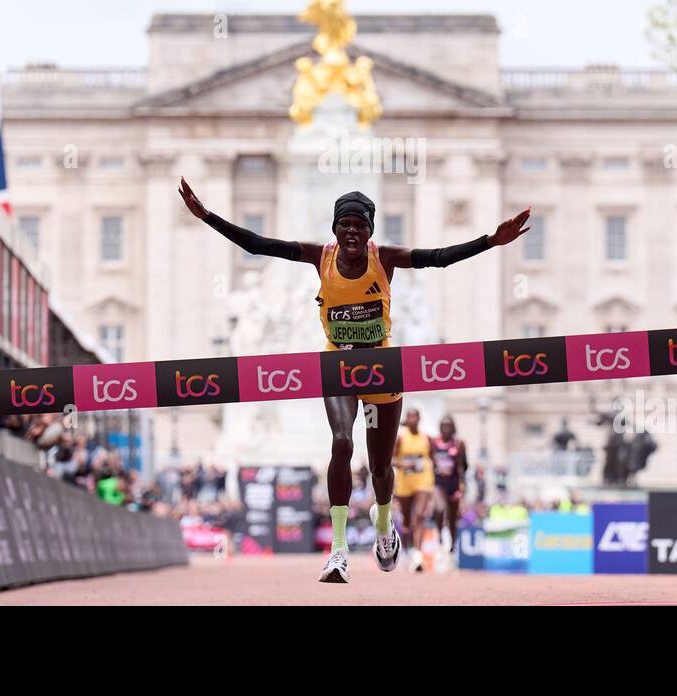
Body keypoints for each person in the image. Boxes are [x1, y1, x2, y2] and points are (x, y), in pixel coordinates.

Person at [179, 177, 530, 583]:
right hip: (338, 367)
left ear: (370, 232)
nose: (351, 232)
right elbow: (259, 244)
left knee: (381, 468)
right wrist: (206, 217)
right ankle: (339, 550)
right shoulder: (320, 257)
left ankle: (383, 526)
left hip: (382, 370)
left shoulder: (387, 259)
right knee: (342, 443)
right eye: (344, 224)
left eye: (360, 226)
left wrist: (490, 240)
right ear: (334, 229)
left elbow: (439, 257)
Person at [393, 407, 435, 572]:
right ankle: (405, 551)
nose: (412, 420)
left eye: (414, 417)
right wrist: (405, 464)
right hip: (405, 482)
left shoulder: (426, 438)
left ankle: (418, 556)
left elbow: (433, 459)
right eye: (409, 417)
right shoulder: (401, 438)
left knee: (419, 516)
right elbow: (391, 460)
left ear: (419, 419)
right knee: (406, 520)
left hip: (423, 480)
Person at [431, 415, 469, 564]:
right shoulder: (434, 443)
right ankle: (439, 536)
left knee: (453, 518)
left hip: (453, 484)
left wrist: (462, 486)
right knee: (440, 508)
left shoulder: (459, 444)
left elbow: (464, 466)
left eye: (449, 426)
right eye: (444, 426)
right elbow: (430, 460)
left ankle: (452, 545)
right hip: (438, 484)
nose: (446, 428)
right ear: (440, 427)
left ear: (453, 427)